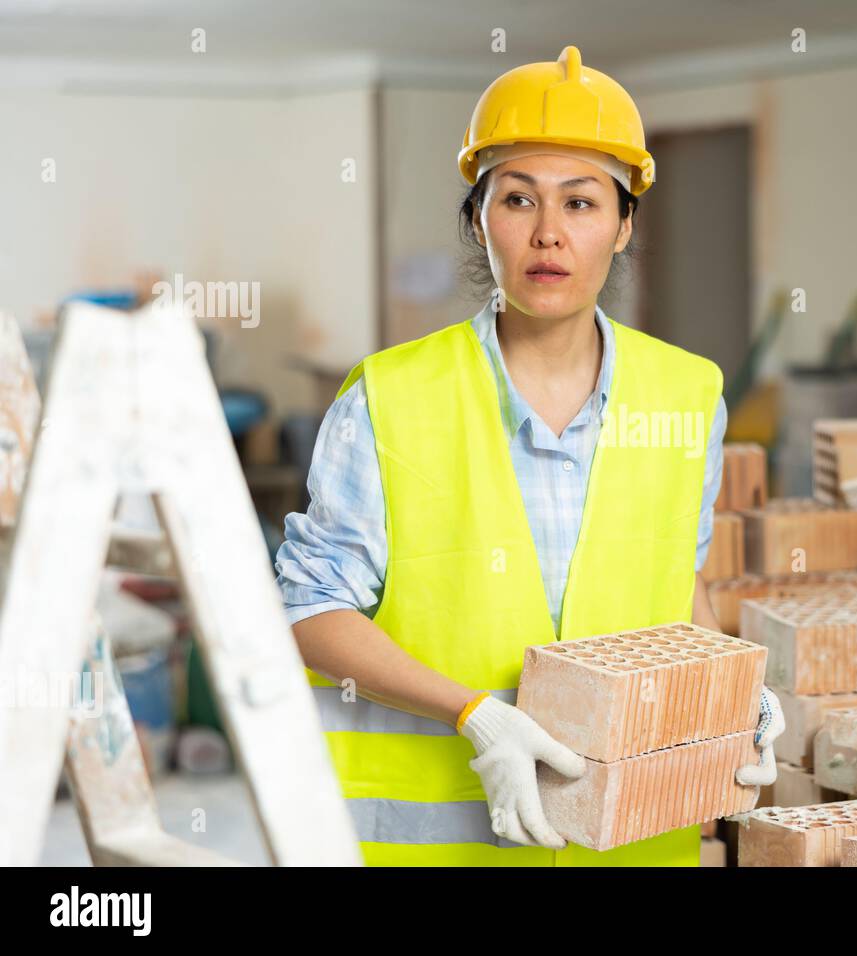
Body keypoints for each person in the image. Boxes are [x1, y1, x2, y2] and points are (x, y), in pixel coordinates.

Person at [275, 45, 784, 867]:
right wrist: (474, 712)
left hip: (628, 848)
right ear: (481, 218)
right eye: (518, 198)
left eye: (581, 202)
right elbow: (308, 610)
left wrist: (731, 698)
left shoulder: (687, 395)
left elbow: (677, 586)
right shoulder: (390, 396)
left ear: (623, 226)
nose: (549, 233)